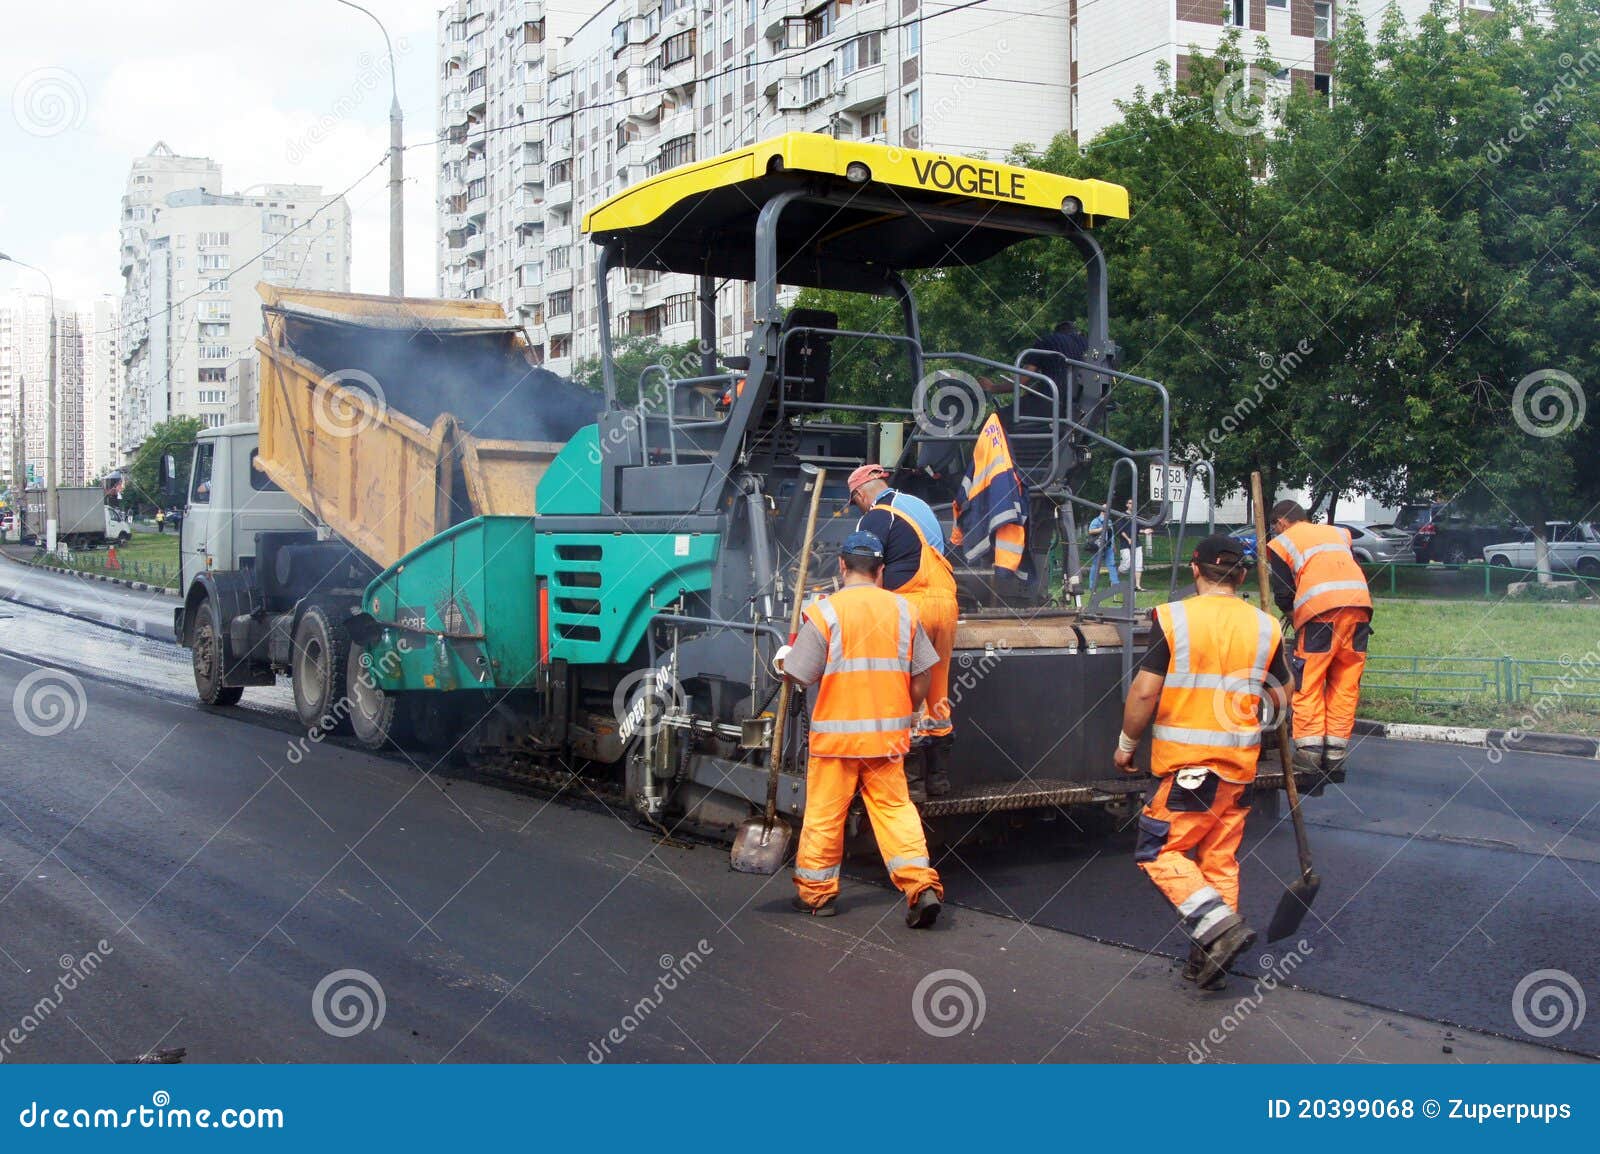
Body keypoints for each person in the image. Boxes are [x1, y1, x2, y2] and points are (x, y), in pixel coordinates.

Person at [1114, 534, 1292, 990]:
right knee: (1219, 861)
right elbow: (1283, 693)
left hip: (1191, 769)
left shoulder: (1173, 619)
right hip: (1239, 768)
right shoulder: (1267, 626)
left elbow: (1145, 691)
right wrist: (1259, 718)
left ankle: (1220, 929)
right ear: (1241, 575)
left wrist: (1126, 744)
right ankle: (1210, 956)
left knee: (1159, 851)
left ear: (1196, 570)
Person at [775, 530, 945, 928]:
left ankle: (818, 897)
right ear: (881, 570)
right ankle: (921, 888)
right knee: (895, 811)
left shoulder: (826, 612)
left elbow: (800, 674)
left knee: (824, 816)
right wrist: (907, 709)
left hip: (836, 741)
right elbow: (923, 672)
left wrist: (785, 661)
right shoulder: (904, 611)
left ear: (842, 566)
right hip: (886, 739)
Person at [848, 462, 960, 801]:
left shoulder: (875, 517)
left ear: (860, 495)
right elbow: (934, 553)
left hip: (913, 607)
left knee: (905, 691)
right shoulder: (920, 507)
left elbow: (866, 565)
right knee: (937, 691)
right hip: (946, 601)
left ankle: (911, 785)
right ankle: (939, 781)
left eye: (855, 502)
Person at [1266, 500, 1374, 781]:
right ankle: (1335, 754)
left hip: (1320, 616)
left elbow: (1283, 593)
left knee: (1309, 680)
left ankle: (1309, 754)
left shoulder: (1281, 543)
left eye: (1274, 526)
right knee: (1345, 681)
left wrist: (1293, 614)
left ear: (1281, 523)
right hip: (1360, 610)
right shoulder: (1338, 533)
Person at [1086, 509, 1120, 594]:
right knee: (1096, 566)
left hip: (1108, 547)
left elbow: (1111, 534)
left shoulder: (1109, 521)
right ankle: (1092, 586)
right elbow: (1090, 531)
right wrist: (1101, 529)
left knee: (1111, 564)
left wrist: (1113, 545)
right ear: (1102, 511)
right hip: (1098, 547)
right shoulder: (1096, 520)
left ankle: (1116, 584)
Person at [1117, 499, 1147, 592]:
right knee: (1127, 563)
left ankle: (1137, 585)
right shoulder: (1123, 516)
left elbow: (1138, 530)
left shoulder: (1136, 517)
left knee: (1138, 564)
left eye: (1134, 504)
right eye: (1130, 503)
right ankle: (1115, 576)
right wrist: (1128, 539)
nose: (1132, 505)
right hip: (1125, 544)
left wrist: (1144, 531)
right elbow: (1120, 530)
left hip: (1136, 543)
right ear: (1127, 505)